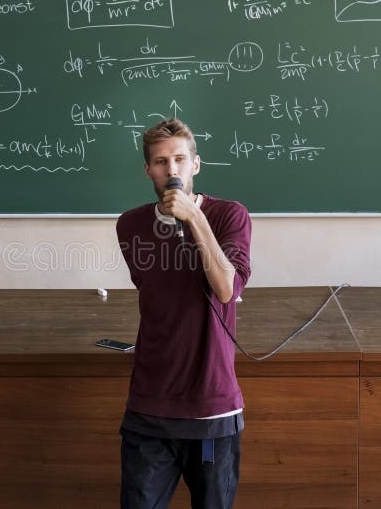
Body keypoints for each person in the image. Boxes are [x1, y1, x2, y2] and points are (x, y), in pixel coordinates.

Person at [116, 118, 252, 509]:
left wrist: (194, 218)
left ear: (195, 164)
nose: (170, 170)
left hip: (211, 409)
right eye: (160, 162)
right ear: (148, 170)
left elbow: (226, 288)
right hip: (149, 408)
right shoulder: (130, 225)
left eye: (179, 159)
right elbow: (158, 294)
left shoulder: (230, 216)